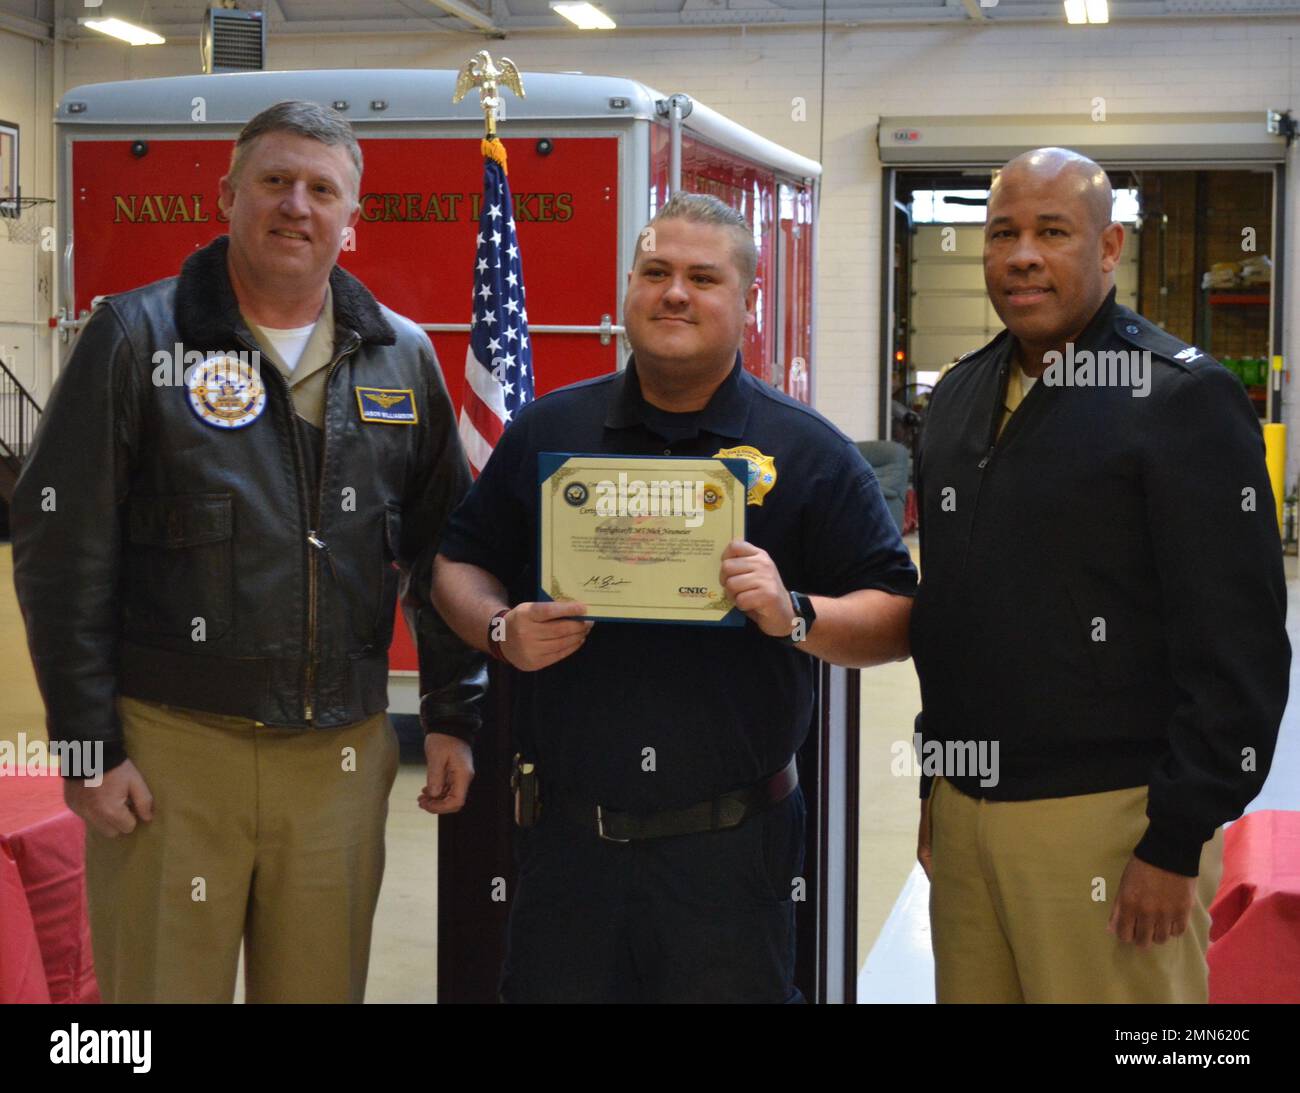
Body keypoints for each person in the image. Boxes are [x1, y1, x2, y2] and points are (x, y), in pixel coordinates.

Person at [11, 100, 485, 1003]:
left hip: (339, 757)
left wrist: (454, 707)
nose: (295, 205)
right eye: (274, 181)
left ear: (354, 217)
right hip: (168, 751)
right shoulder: (134, 339)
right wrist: (85, 745)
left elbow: (441, 549)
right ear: (228, 196)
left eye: (321, 189)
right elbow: (60, 548)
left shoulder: (402, 358)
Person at [432, 191, 917, 1003]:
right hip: (566, 843)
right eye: (655, 271)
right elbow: (457, 561)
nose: (675, 293)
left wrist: (795, 611)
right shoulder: (552, 429)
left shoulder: (809, 451)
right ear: (628, 287)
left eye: (703, 276)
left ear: (749, 301)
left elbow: (896, 618)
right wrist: (497, 626)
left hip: (732, 852)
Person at [910, 147, 1290, 1003]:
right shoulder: (963, 395)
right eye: (1002, 232)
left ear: (1109, 247)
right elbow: (954, 614)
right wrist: (939, 778)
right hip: (967, 818)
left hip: (1111, 825)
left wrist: (1176, 838)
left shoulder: (1179, 400)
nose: (1022, 255)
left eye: (1053, 232)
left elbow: (1240, 644)